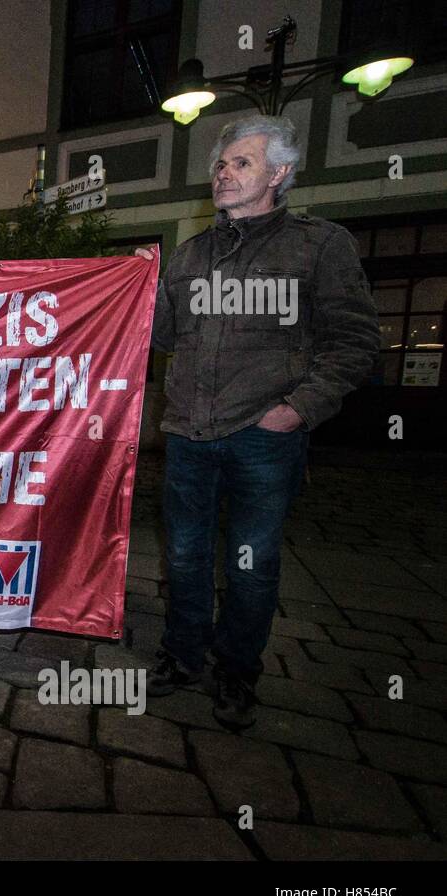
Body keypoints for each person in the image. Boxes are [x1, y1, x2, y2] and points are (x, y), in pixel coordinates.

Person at [138, 115, 379, 728]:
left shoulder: (318, 245)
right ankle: (182, 655)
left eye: (241, 163)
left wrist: (298, 409)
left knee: (251, 563)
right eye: (221, 164)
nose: (223, 172)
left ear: (279, 173)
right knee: (187, 557)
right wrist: (148, 287)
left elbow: (353, 340)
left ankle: (237, 671)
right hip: (190, 432)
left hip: (263, 438)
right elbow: (163, 337)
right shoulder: (191, 255)